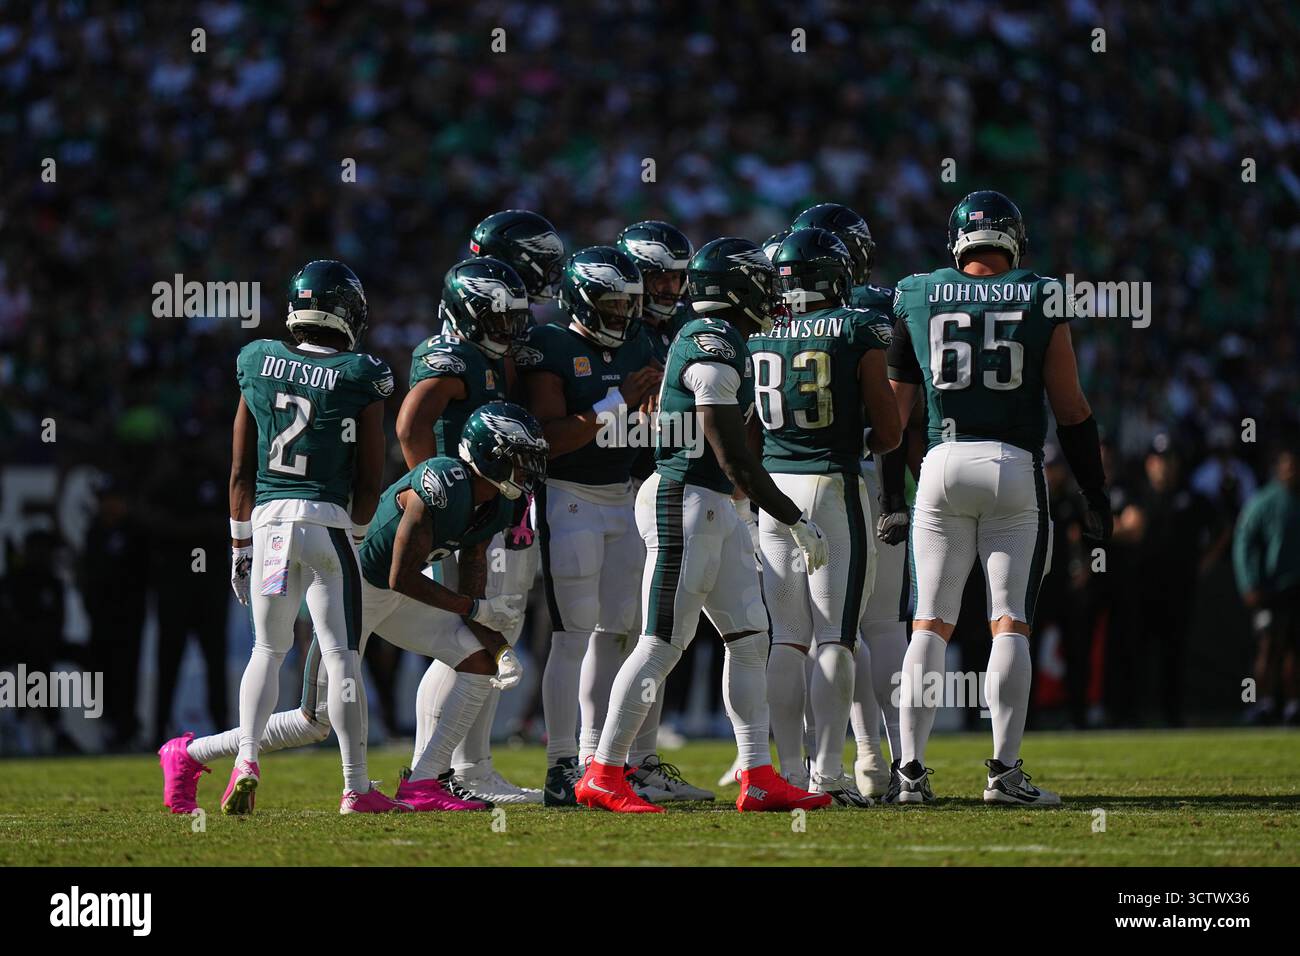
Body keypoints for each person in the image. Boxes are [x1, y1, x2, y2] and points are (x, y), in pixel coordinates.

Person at [160, 403, 547, 813]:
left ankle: (422, 781)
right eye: (520, 460)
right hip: (352, 590)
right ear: (490, 454)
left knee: (478, 663)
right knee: (313, 722)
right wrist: (474, 609)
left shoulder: (499, 501)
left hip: (396, 598)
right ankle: (189, 754)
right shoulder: (443, 482)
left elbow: (470, 576)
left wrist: (497, 645)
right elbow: (401, 575)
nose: (527, 472)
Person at [575, 236, 833, 814]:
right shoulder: (711, 340)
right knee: (662, 641)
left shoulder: (727, 339)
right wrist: (792, 518)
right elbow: (730, 450)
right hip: (682, 499)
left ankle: (758, 775)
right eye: (763, 281)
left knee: (749, 638)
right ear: (739, 287)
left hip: (712, 504)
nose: (773, 291)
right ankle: (603, 771)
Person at [882, 190, 1111, 806]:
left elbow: (893, 419)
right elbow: (1072, 408)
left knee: (928, 622)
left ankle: (909, 773)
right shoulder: (1041, 293)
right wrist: (1095, 492)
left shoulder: (916, 291)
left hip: (940, 463)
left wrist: (891, 499)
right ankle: (1004, 774)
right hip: (1012, 464)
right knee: (1009, 621)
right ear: (1015, 239)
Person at [217, 259, 405, 815]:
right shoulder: (360, 372)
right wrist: (360, 532)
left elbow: (238, 471)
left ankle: (245, 761)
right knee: (342, 657)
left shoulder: (257, 359)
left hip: (270, 524)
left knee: (267, 650)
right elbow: (371, 477)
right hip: (327, 525)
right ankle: (356, 788)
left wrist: (239, 545)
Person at [516, 244, 675, 805]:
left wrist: (656, 412)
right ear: (580, 302)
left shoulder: (640, 341)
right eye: (611, 304)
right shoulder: (552, 345)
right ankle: (563, 764)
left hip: (625, 497)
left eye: (629, 304)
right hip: (569, 497)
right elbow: (547, 438)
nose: (624, 315)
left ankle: (600, 758)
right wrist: (616, 402)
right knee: (571, 635)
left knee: (624, 633)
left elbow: (652, 426)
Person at [750, 226, 900, 806]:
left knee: (786, 639)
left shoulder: (760, 331)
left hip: (772, 491)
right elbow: (887, 433)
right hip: (831, 486)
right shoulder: (857, 327)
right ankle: (829, 777)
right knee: (834, 637)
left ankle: (788, 775)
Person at [394, 256, 539, 803]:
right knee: (465, 643)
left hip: (490, 513)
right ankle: (454, 771)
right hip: (463, 517)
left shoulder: (485, 355)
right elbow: (410, 424)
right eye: (497, 318)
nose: (509, 329)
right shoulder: (451, 355)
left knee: (484, 637)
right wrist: (436, 498)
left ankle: (454, 770)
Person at [1233, 445, 1300, 725]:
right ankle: (1261, 703)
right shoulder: (1263, 502)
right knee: (1268, 646)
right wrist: (1250, 582)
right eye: (1287, 465)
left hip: (1296, 586)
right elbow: (1244, 542)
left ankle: (1293, 704)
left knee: (1295, 649)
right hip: (1271, 589)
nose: (1292, 471)